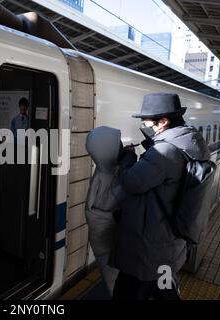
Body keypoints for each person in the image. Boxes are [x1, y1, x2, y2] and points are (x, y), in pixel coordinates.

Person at [110, 92, 210, 300]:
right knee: (163, 284)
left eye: (147, 122)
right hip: (169, 237)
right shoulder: (188, 141)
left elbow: (131, 182)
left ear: (163, 122)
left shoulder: (164, 151)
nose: (145, 125)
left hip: (150, 241)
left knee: (129, 289)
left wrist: (128, 157)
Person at [85, 126, 123, 296]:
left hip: (105, 242)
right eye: (118, 145)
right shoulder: (106, 179)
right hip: (105, 245)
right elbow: (118, 199)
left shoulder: (105, 169)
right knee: (114, 282)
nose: (122, 146)